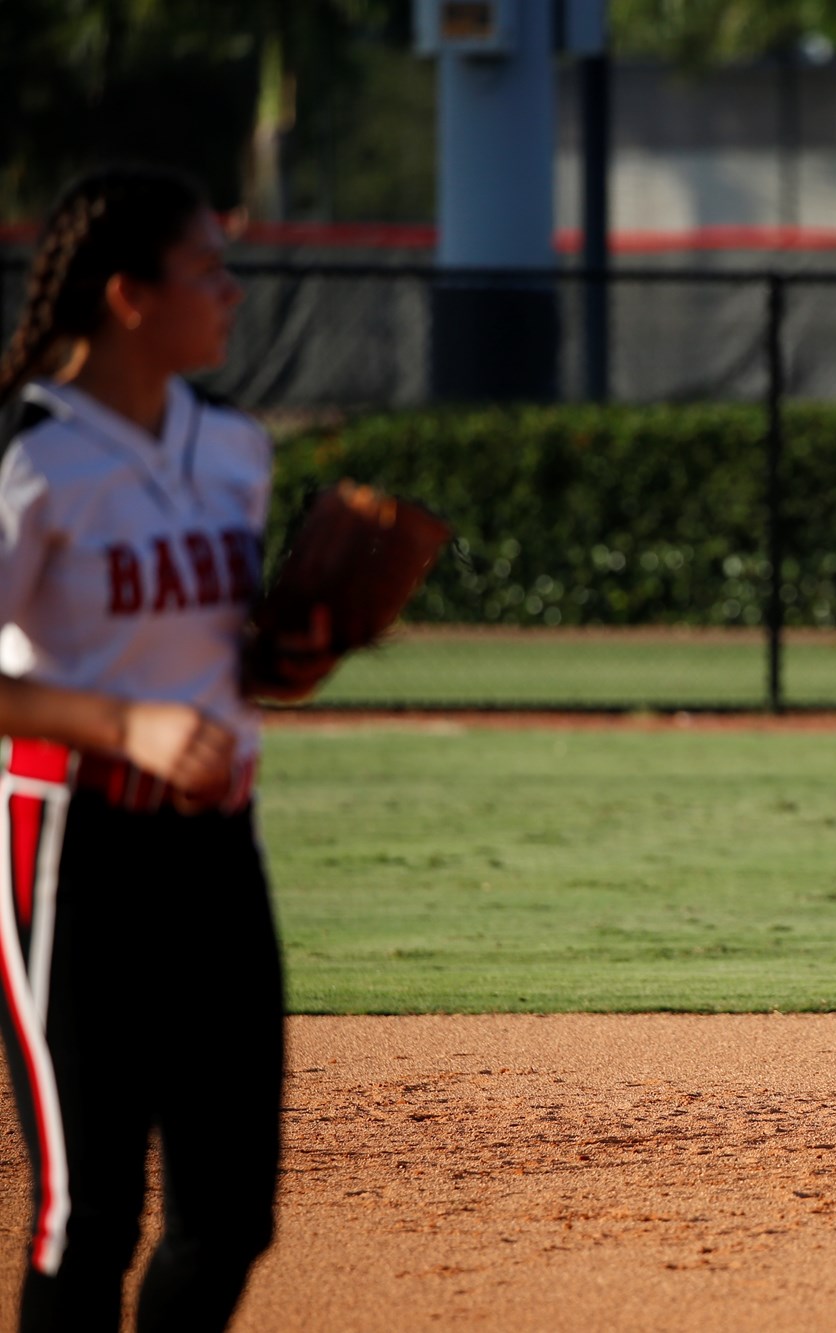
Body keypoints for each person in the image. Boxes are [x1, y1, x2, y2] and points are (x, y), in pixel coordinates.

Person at [0, 165, 292, 1331]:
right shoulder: (31, 459)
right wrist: (120, 722)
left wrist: (292, 653)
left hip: (219, 847)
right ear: (128, 296)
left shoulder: (234, 449)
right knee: (91, 1216)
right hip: (74, 846)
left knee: (230, 1217)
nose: (231, 291)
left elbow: (209, 646)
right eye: (206, 270)